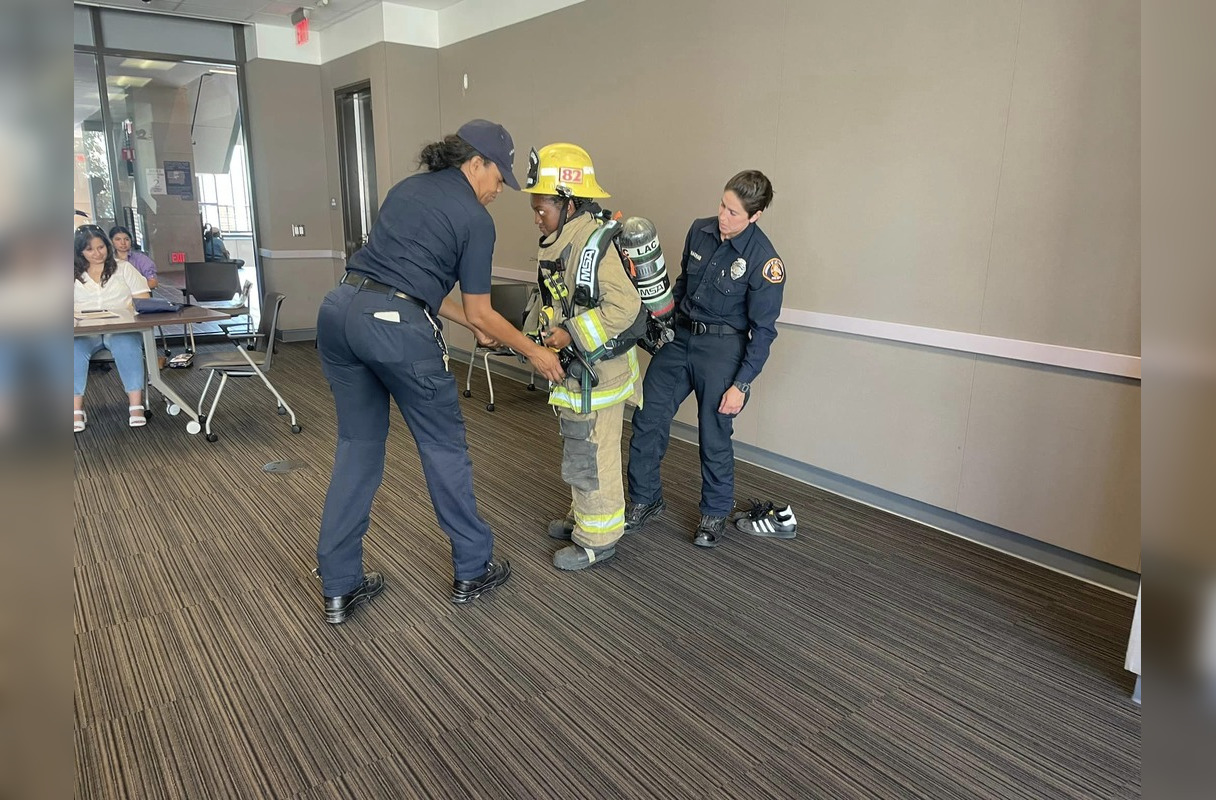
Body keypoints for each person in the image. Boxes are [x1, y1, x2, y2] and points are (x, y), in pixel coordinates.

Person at [314, 119, 564, 622]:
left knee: (357, 447)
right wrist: (533, 353)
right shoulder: (474, 219)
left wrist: (475, 323)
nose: (499, 189)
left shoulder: (405, 190)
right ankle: (473, 565)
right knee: (443, 448)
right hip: (395, 330)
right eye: (499, 177)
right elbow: (481, 312)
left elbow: (411, 284)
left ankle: (340, 583)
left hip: (340, 311)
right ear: (476, 164)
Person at [624, 171, 785, 548]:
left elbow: (763, 331)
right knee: (648, 418)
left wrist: (741, 384)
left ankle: (714, 512)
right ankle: (645, 499)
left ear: (755, 215)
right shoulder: (700, 231)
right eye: (722, 205)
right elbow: (682, 284)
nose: (723, 217)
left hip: (723, 350)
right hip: (680, 339)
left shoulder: (764, 261)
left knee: (714, 435)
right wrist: (660, 319)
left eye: (733, 212)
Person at [522, 143, 643, 571]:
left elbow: (623, 308)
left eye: (543, 209)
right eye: (534, 209)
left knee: (595, 451)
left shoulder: (594, 246)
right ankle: (583, 512)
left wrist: (568, 333)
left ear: (569, 202)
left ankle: (599, 537)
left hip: (599, 375)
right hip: (576, 374)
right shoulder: (562, 239)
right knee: (579, 445)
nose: (537, 217)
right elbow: (553, 296)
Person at [72, 225, 152, 432]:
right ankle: (75, 409)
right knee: (72, 350)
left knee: (126, 344)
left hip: (120, 327)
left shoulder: (123, 268)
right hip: (83, 331)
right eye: (90, 250)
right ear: (80, 252)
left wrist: (127, 310)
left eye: (101, 247)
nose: (97, 253)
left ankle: (136, 405)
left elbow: (144, 298)